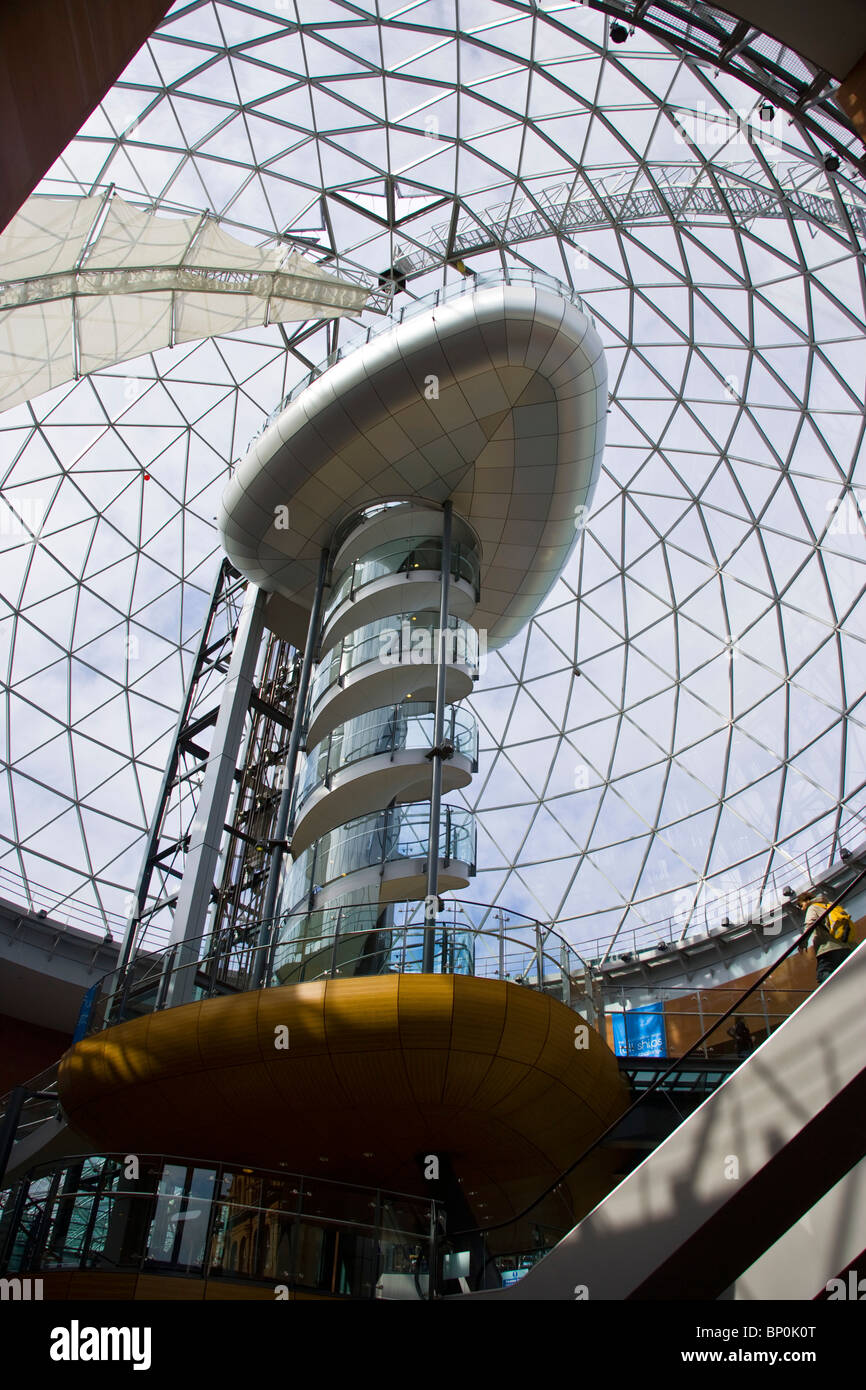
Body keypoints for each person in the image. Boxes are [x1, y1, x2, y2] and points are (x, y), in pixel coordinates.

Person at [797, 892, 856, 985]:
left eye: (801, 906)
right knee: (847, 974)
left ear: (806, 900)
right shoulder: (830, 904)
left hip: (829, 948)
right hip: (846, 947)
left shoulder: (812, 908)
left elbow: (809, 925)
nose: (802, 909)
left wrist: (802, 944)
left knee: (822, 974)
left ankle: (837, 993)